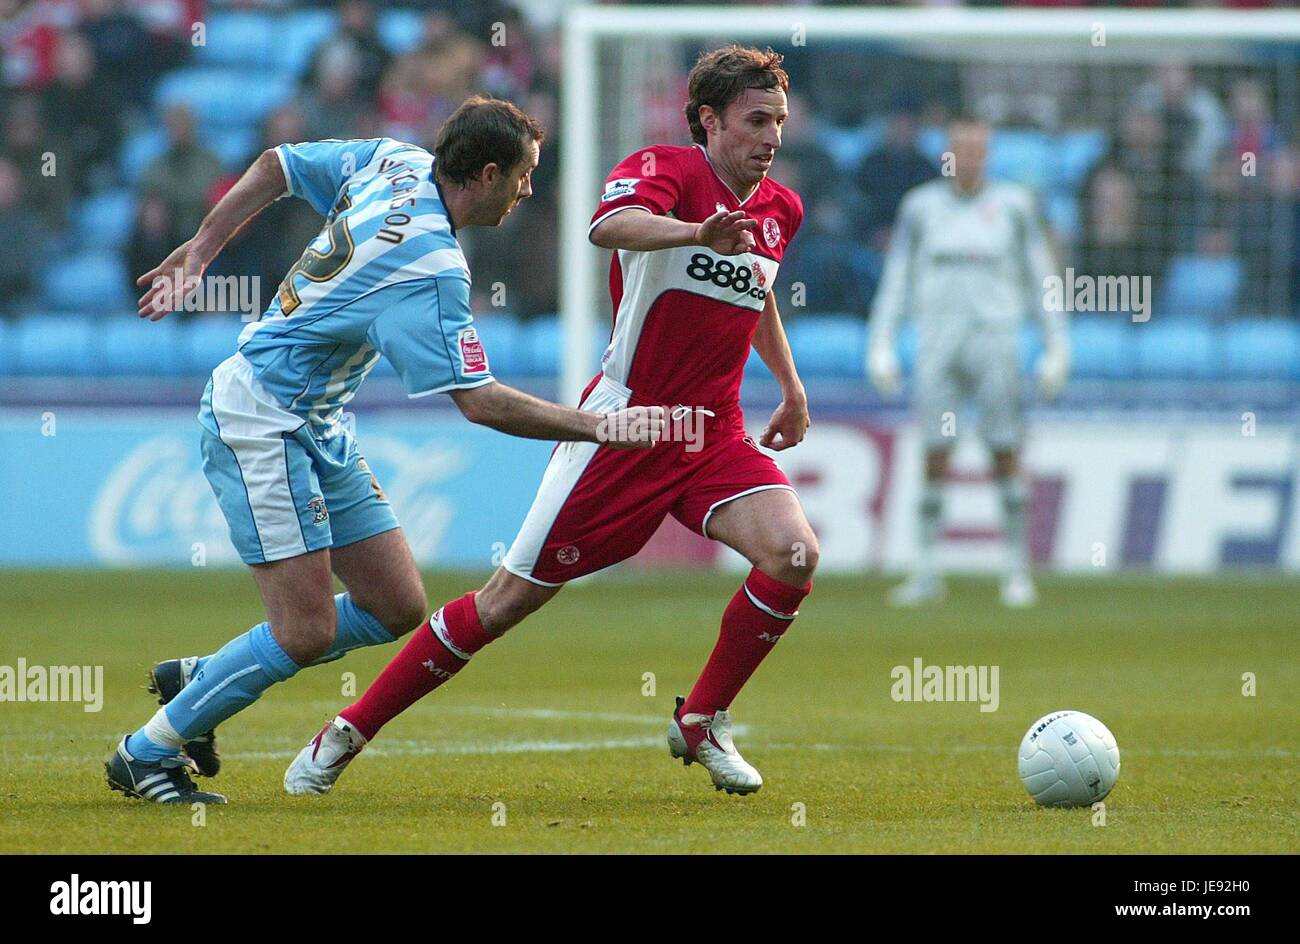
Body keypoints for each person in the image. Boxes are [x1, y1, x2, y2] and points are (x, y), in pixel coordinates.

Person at [284, 45, 817, 798]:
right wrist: (698, 233)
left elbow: (753, 289)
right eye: (756, 120)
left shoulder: (779, 209)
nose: (772, 138)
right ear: (709, 120)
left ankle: (701, 718)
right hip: (626, 427)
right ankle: (348, 729)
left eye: (781, 122)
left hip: (713, 432)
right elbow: (612, 227)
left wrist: (789, 386)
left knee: (793, 554)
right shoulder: (665, 170)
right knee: (504, 604)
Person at [104, 97, 663, 805]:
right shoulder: (432, 268)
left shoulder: (395, 160)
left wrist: (204, 247)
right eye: (524, 176)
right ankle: (145, 752)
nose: (528, 191)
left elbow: (278, 165)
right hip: (262, 419)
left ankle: (203, 677)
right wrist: (601, 427)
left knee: (396, 604)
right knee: (304, 631)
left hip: (317, 421)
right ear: (488, 174)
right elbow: (480, 400)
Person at [867, 116, 1067, 609]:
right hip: (937, 341)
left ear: (989, 153)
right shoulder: (920, 208)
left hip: (995, 341)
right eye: (961, 148)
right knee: (935, 451)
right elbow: (896, 280)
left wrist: (1057, 346)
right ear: (947, 153)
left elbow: (1042, 279)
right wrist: (882, 344)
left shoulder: (1015, 208)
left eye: (978, 148)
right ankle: (926, 570)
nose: (969, 157)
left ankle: (1017, 570)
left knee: (1004, 449)